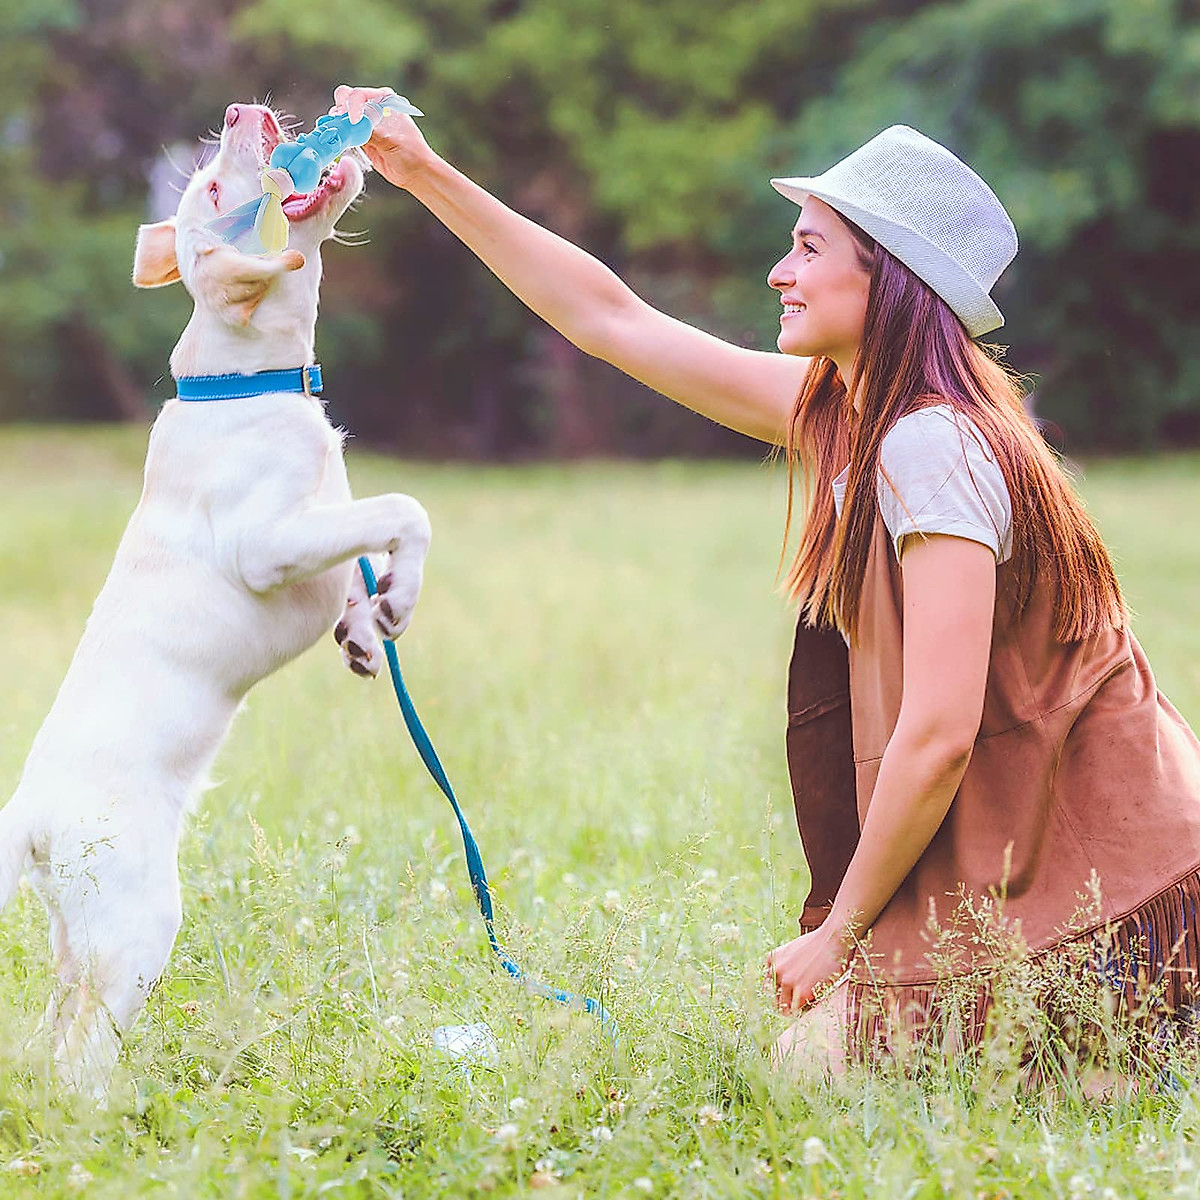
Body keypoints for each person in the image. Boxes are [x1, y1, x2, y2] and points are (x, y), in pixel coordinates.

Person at [330, 85, 1200, 1078]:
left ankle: (1117, 1056)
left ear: (893, 281)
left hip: (1121, 892)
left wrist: (843, 935)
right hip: (1023, 864)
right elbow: (610, 320)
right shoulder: (850, 413)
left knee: (810, 1072)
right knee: (815, 1061)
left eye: (811, 249)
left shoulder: (934, 448)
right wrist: (424, 174)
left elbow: (937, 731)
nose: (780, 271)